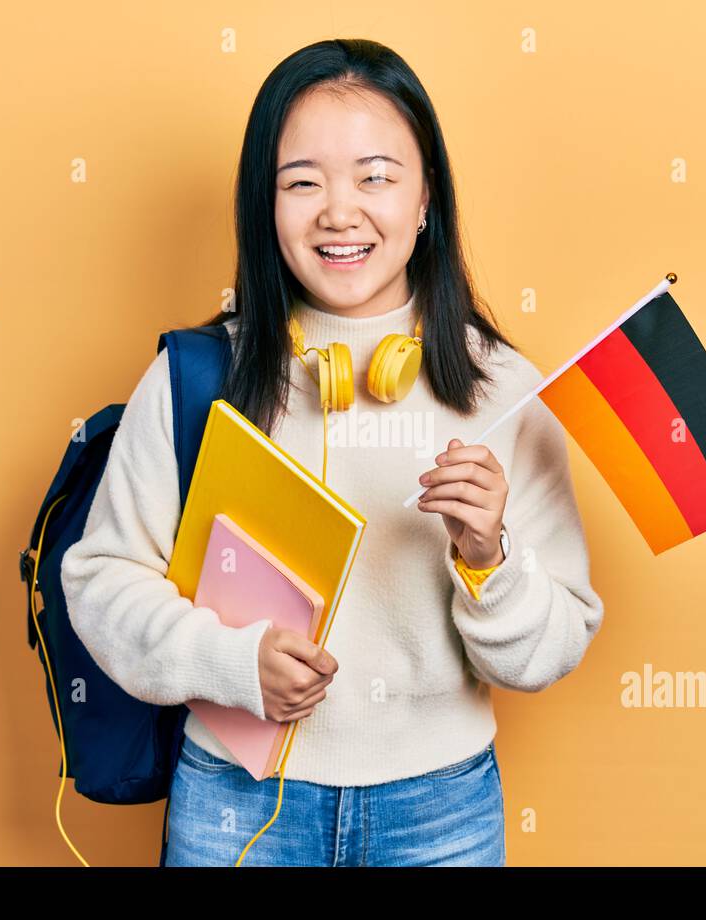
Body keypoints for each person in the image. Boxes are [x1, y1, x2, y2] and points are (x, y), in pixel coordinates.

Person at [60, 37, 605, 867]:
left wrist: (488, 558)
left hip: (442, 811)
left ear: (426, 200)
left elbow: (550, 650)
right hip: (234, 806)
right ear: (264, 206)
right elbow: (99, 585)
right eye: (303, 181)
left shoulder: (503, 389)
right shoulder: (195, 378)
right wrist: (232, 663)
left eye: (376, 176)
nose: (339, 211)